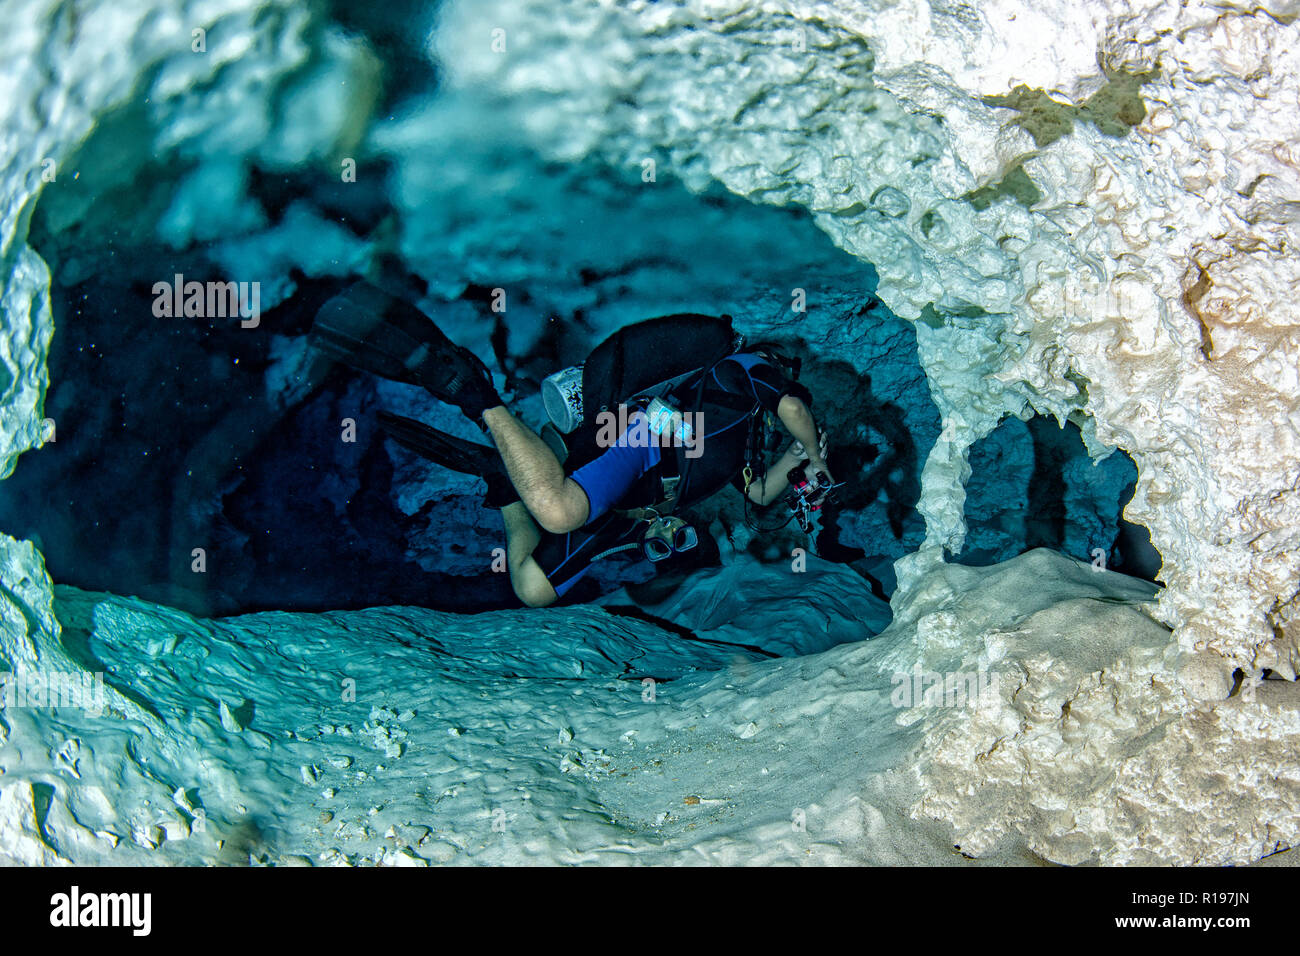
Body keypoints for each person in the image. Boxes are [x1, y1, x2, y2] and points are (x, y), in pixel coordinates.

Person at [311, 282, 834, 607]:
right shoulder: (740, 372)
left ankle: (507, 487)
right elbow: (791, 406)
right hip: (639, 438)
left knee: (533, 589)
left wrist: (792, 461)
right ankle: (472, 393)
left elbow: (762, 496)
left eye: (671, 546)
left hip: (631, 505)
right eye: (685, 539)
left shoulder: (740, 447)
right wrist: (813, 450)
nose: (678, 536)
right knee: (560, 512)